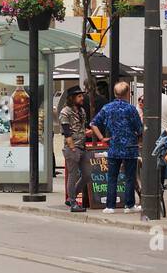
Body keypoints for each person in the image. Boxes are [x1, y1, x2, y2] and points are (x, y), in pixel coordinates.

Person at [90, 81, 144, 214]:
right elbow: (139, 129)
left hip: (113, 147)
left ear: (115, 93)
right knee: (129, 177)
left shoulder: (107, 108)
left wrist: (102, 138)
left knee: (112, 177)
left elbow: (93, 123)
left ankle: (110, 206)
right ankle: (129, 205)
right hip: (130, 148)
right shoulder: (131, 109)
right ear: (127, 94)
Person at [59, 85, 89, 213]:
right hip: (73, 148)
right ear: (72, 98)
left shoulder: (81, 111)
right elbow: (66, 132)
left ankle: (72, 196)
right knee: (73, 175)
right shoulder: (65, 112)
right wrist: (72, 148)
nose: (82, 98)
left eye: (82, 95)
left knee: (87, 174)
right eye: (79, 96)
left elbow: (81, 128)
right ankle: (72, 201)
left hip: (82, 146)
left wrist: (89, 133)